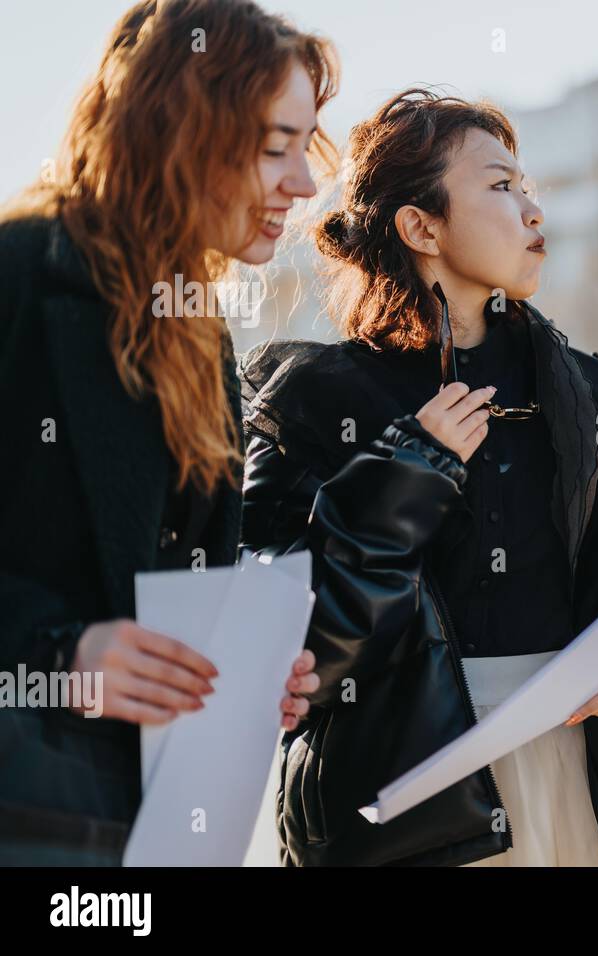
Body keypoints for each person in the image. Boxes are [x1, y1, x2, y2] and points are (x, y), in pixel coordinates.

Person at [238, 88, 598, 866]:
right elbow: (286, 646)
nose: (532, 211)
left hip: (576, 776)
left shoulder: (587, 391)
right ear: (420, 226)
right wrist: (405, 477)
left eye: (526, 186)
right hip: (402, 801)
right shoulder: (314, 400)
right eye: (499, 185)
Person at [0, 0, 339, 865]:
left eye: (307, 146)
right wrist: (59, 652)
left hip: (152, 826)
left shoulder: (199, 328)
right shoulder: (19, 276)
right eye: (276, 147)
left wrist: (240, 669)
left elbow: (170, 582)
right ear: (178, 128)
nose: (303, 183)